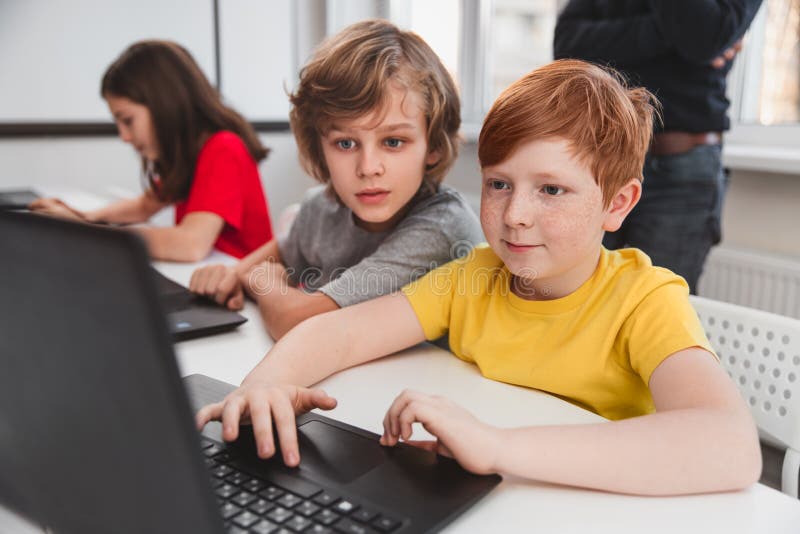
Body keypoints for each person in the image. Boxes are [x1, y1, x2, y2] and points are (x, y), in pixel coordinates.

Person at [195, 59, 762, 496]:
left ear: (618, 203)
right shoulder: (473, 278)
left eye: (551, 189)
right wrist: (265, 383)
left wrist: (496, 446)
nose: (514, 214)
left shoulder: (645, 300)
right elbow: (338, 332)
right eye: (498, 184)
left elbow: (731, 446)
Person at [188, 20, 483, 340]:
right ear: (320, 147)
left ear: (434, 147)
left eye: (393, 142)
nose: (368, 168)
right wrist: (230, 275)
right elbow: (275, 256)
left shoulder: (439, 227)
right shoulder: (321, 206)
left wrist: (266, 282)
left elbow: (296, 322)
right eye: (345, 143)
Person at [554, 0, 763, 293]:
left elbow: (703, 36)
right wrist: (675, 36)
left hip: (682, 167)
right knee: (570, 295)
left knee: (659, 307)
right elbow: (567, 47)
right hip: (600, 155)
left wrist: (693, 38)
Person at [30, 40, 273, 262]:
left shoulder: (224, 148)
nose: (124, 136)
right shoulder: (189, 156)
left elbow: (190, 245)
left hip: (248, 292)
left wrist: (90, 232)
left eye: (127, 121)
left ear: (164, 105)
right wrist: (84, 218)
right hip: (211, 279)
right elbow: (143, 206)